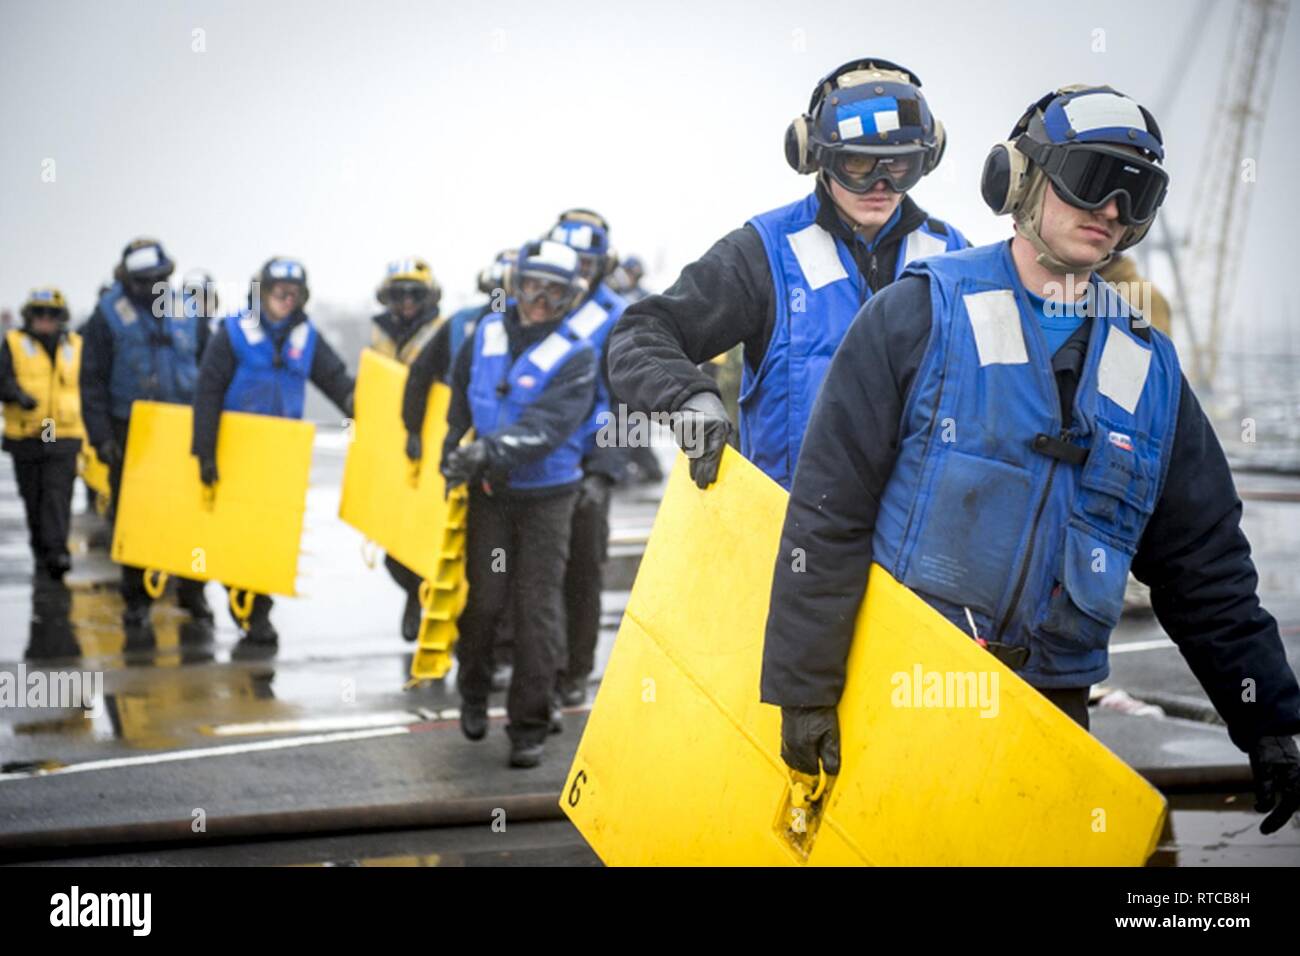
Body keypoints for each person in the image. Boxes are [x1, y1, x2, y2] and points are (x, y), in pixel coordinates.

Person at [760, 85, 1300, 836]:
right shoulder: (916, 318)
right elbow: (827, 518)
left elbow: (1202, 564)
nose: (1110, 208)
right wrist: (806, 693)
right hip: (904, 690)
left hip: (1053, 712)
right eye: (1089, 177)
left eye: (1134, 192)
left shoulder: (1149, 370)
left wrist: (1267, 714)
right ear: (1019, 180)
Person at [608, 57, 967, 491]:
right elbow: (640, 333)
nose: (880, 184)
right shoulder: (764, 251)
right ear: (816, 156)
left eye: (899, 165)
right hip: (794, 533)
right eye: (858, 163)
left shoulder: (953, 257)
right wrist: (689, 399)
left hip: (916, 541)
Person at [442, 239, 596, 768]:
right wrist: (450, 445)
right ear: (516, 284)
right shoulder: (482, 332)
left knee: (536, 610)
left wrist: (487, 451)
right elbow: (460, 391)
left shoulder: (577, 356)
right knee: (484, 602)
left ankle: (528, 725)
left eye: (554, 292)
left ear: (569, 298)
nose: (540, 300)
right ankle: (472, 690)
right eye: (533, 286)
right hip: (491, 496)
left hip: (548, 499)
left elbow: (547, 429)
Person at [191, 257, 354, 652]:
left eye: (293, 294)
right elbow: (207, 392)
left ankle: (257, 612)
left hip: (280, 455)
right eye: (279, 292)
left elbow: (337, 383)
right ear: (261, 293)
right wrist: (205, 451)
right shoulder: (232, 332)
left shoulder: (306, 337)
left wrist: (365, 408)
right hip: (236, 450)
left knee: (268, 538)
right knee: (230, 534)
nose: (286, 300)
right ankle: (210, 595)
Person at [79, 238, 212, 629]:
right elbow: (91, 382)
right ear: (126, 280)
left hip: (182, 426)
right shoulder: (106, 317)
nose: (150, 287)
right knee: (132, 516)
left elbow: (210, 369)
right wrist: (102, 437)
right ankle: (136, 597)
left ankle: (193, 592)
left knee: (188, 515)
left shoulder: (188, 311)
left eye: (157, 279)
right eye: (142, 281)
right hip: (129, 429)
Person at [546, 208, 628, 706]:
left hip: (585, 467)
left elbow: (624, 399)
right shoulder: (536, 305)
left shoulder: (615, 316)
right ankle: (540, 666)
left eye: (585, 263)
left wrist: (604, 471)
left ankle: (575, 670)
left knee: (581, 572)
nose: (576, 271)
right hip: (537, 467)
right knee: (533, 578)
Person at [0, 288, 84, 581]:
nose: (45, 320)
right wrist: (15, 395)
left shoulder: (76, 345)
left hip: (62, 431)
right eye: (39, 314)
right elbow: (3, 378)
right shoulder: (13, 343)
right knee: (34, 496)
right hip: (30, 433)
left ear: (61, 318)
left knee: (57, 492)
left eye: (51, 315)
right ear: (29, 316)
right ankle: (42, 549)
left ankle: (57, 550)